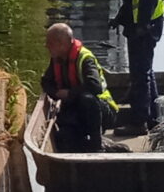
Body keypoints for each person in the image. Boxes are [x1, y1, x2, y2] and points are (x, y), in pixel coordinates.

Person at [110, 0, 164, 135]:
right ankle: (153, 117)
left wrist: (143, 26)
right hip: (139, 26)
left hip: (146, 27)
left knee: (140, 74)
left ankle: (139, 122)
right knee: (145, 71)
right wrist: (119, 18)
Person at [40, 23, 119, 153]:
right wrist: (56, 93)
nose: (46, 46)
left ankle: (97, 145)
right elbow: (46, 82)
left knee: (86, 98)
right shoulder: (57, 59)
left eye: (50, 43)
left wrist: (69, 93)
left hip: (101, 111)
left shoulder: (85, 58)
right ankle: (105, 146)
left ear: (61, 44)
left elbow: (95, 87)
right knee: (63, 138)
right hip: (77, 111)